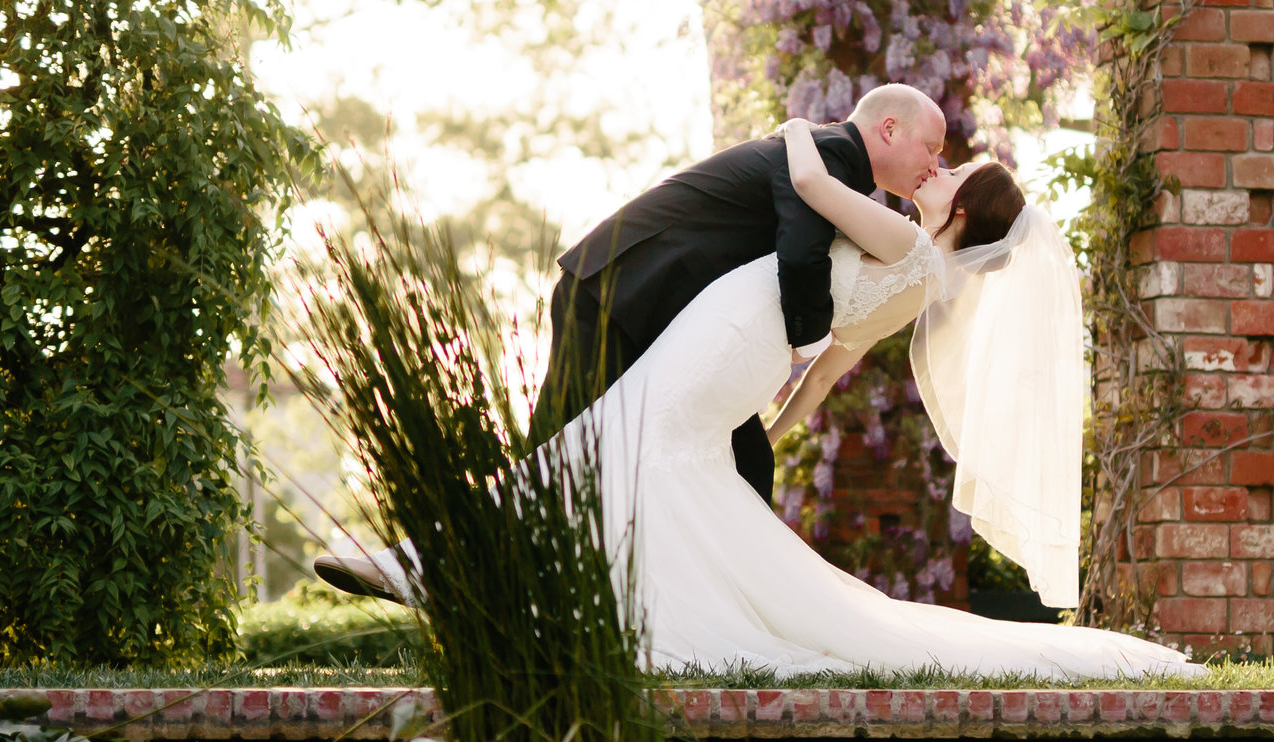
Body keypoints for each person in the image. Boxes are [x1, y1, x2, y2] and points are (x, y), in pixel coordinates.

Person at [313, 83, 946, 600]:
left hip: (670, 328)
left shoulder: (833, 165)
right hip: (621, 294)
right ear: (889, 129)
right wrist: (801, 342)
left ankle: (726, 617)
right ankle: (419, 566)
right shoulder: (832, 153)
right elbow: (802, 258)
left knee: (746, 463)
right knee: (564, 452)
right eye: (932, 146)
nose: (933, 165)